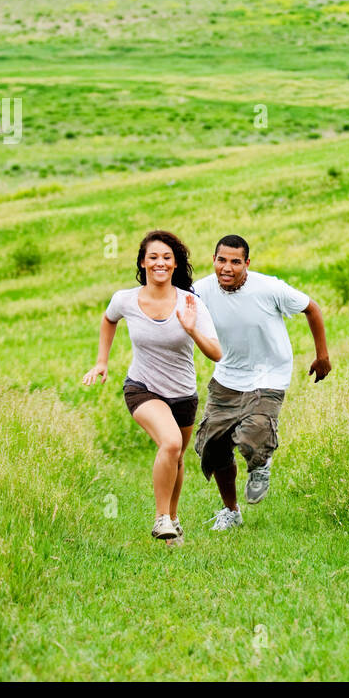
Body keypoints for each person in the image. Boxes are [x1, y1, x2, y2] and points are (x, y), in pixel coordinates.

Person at [83, 230, 222, 545]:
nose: (160, 263)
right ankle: (161, 518)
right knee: (170, 443)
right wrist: (101, 361)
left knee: (177, 455)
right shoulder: (126, 299)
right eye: (154, 257)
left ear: (175, 265)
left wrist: (191, 329)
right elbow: (108, 320)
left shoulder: (190, 303)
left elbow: (216, 352)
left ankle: (173, 521)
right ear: (143, 263)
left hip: (183, 393)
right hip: (143, 388)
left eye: (167, 258)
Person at [184, 234, 330, 531]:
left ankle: (260, 463)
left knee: (253, 437)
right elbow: (172, 308)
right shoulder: (200, 291)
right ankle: (231, 511)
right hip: (227, 375)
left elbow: (311, 308)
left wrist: (322, 356)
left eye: (235, 262)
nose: (227, 268)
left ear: (247, 264)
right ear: (213, 260)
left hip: (269, 374)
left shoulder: (270, 288)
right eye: (221, 260)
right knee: (212, 447)